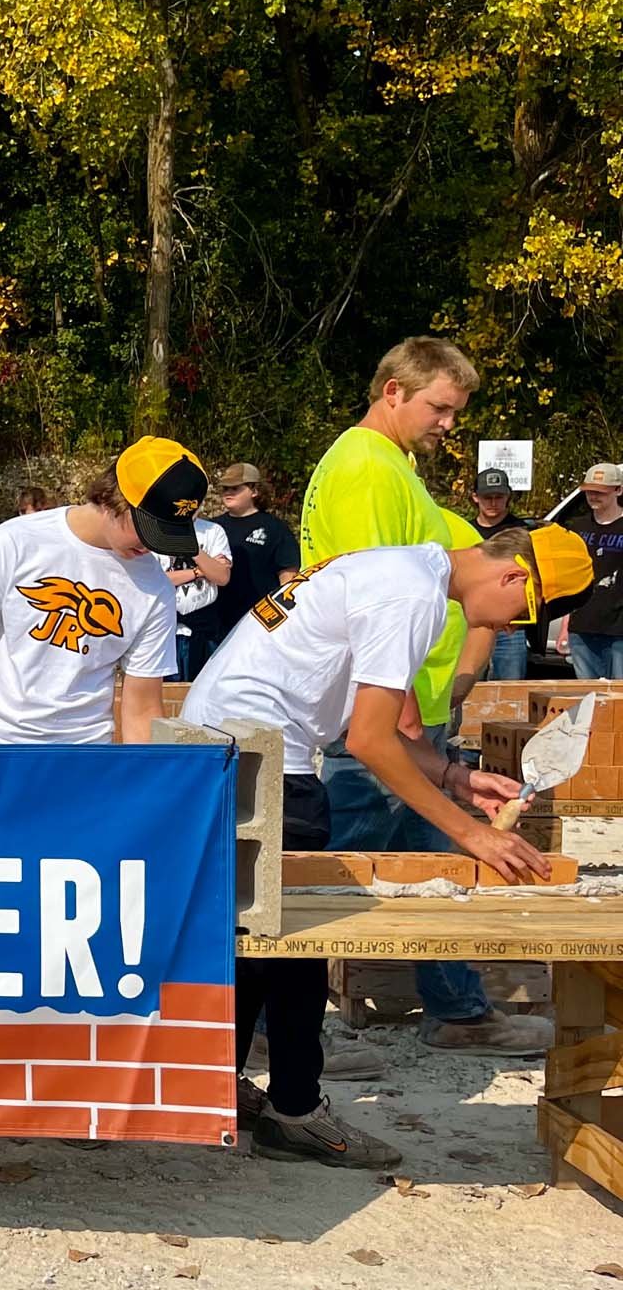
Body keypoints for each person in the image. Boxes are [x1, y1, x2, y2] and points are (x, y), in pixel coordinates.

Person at [183, 525, 591, 1166]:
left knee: (261, 936)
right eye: (524, 615)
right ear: (514, 576)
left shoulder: (404, 571)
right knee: (297, 942)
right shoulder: (413, 596)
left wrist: (456, 777)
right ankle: (293, 1109)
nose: (512, 631)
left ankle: (222, 1091)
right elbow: (370, 744)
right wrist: (470, 834)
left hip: (233, 743)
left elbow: (387, 727)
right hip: (260, 757)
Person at [299, 335, 546, 1054]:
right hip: (382, 710)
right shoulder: (368, 470)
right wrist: (401, 716)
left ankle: (460, 1011)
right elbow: (378, 599)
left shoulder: (388, 465)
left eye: (455, 410)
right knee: (338, 871)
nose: (448, 423)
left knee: (430, 859)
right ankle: (278, 1026)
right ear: (393, 392)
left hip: (405, 707)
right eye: (440, 407)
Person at [0, 440, 193, 746]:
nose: (151, 547)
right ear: (114, 500)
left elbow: (143, 708)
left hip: (86, 760)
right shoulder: (16, 541)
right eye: (148, 530)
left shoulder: (155, 587)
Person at [209, 465, 300, 641]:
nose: (228, 492)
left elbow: (288, 577)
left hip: (258, 622)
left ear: (254, 491)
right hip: (216, 622)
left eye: (235, 488)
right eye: (225, 488)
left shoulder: (275, 528)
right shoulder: (212, 528)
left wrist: (284, 619)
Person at [558, 463, 623, 681]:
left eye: (600, 491)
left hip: (619, 630)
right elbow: (570, 580)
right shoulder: (576, 527)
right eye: (589, 491)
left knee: (618, 700)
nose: (593, 496)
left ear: (618, 490)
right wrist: (565, 627)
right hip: (582, 628)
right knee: (589, 699)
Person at [469, 469, 534, 680]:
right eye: (487, 497)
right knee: (468, 690)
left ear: (508, 497)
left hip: (511, 626)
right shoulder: (464, 530)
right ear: (475, 497)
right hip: (473, 623)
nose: (493, 503)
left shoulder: (524, 532)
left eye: (499, 497)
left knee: (510, 691)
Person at [167, 508, 235, 681]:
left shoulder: (213, 531)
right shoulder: (156, 531)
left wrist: (193, 548)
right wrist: (200, 571)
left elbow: (222, 576)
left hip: (204, 628)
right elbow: (157, 579)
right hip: (166, 629)